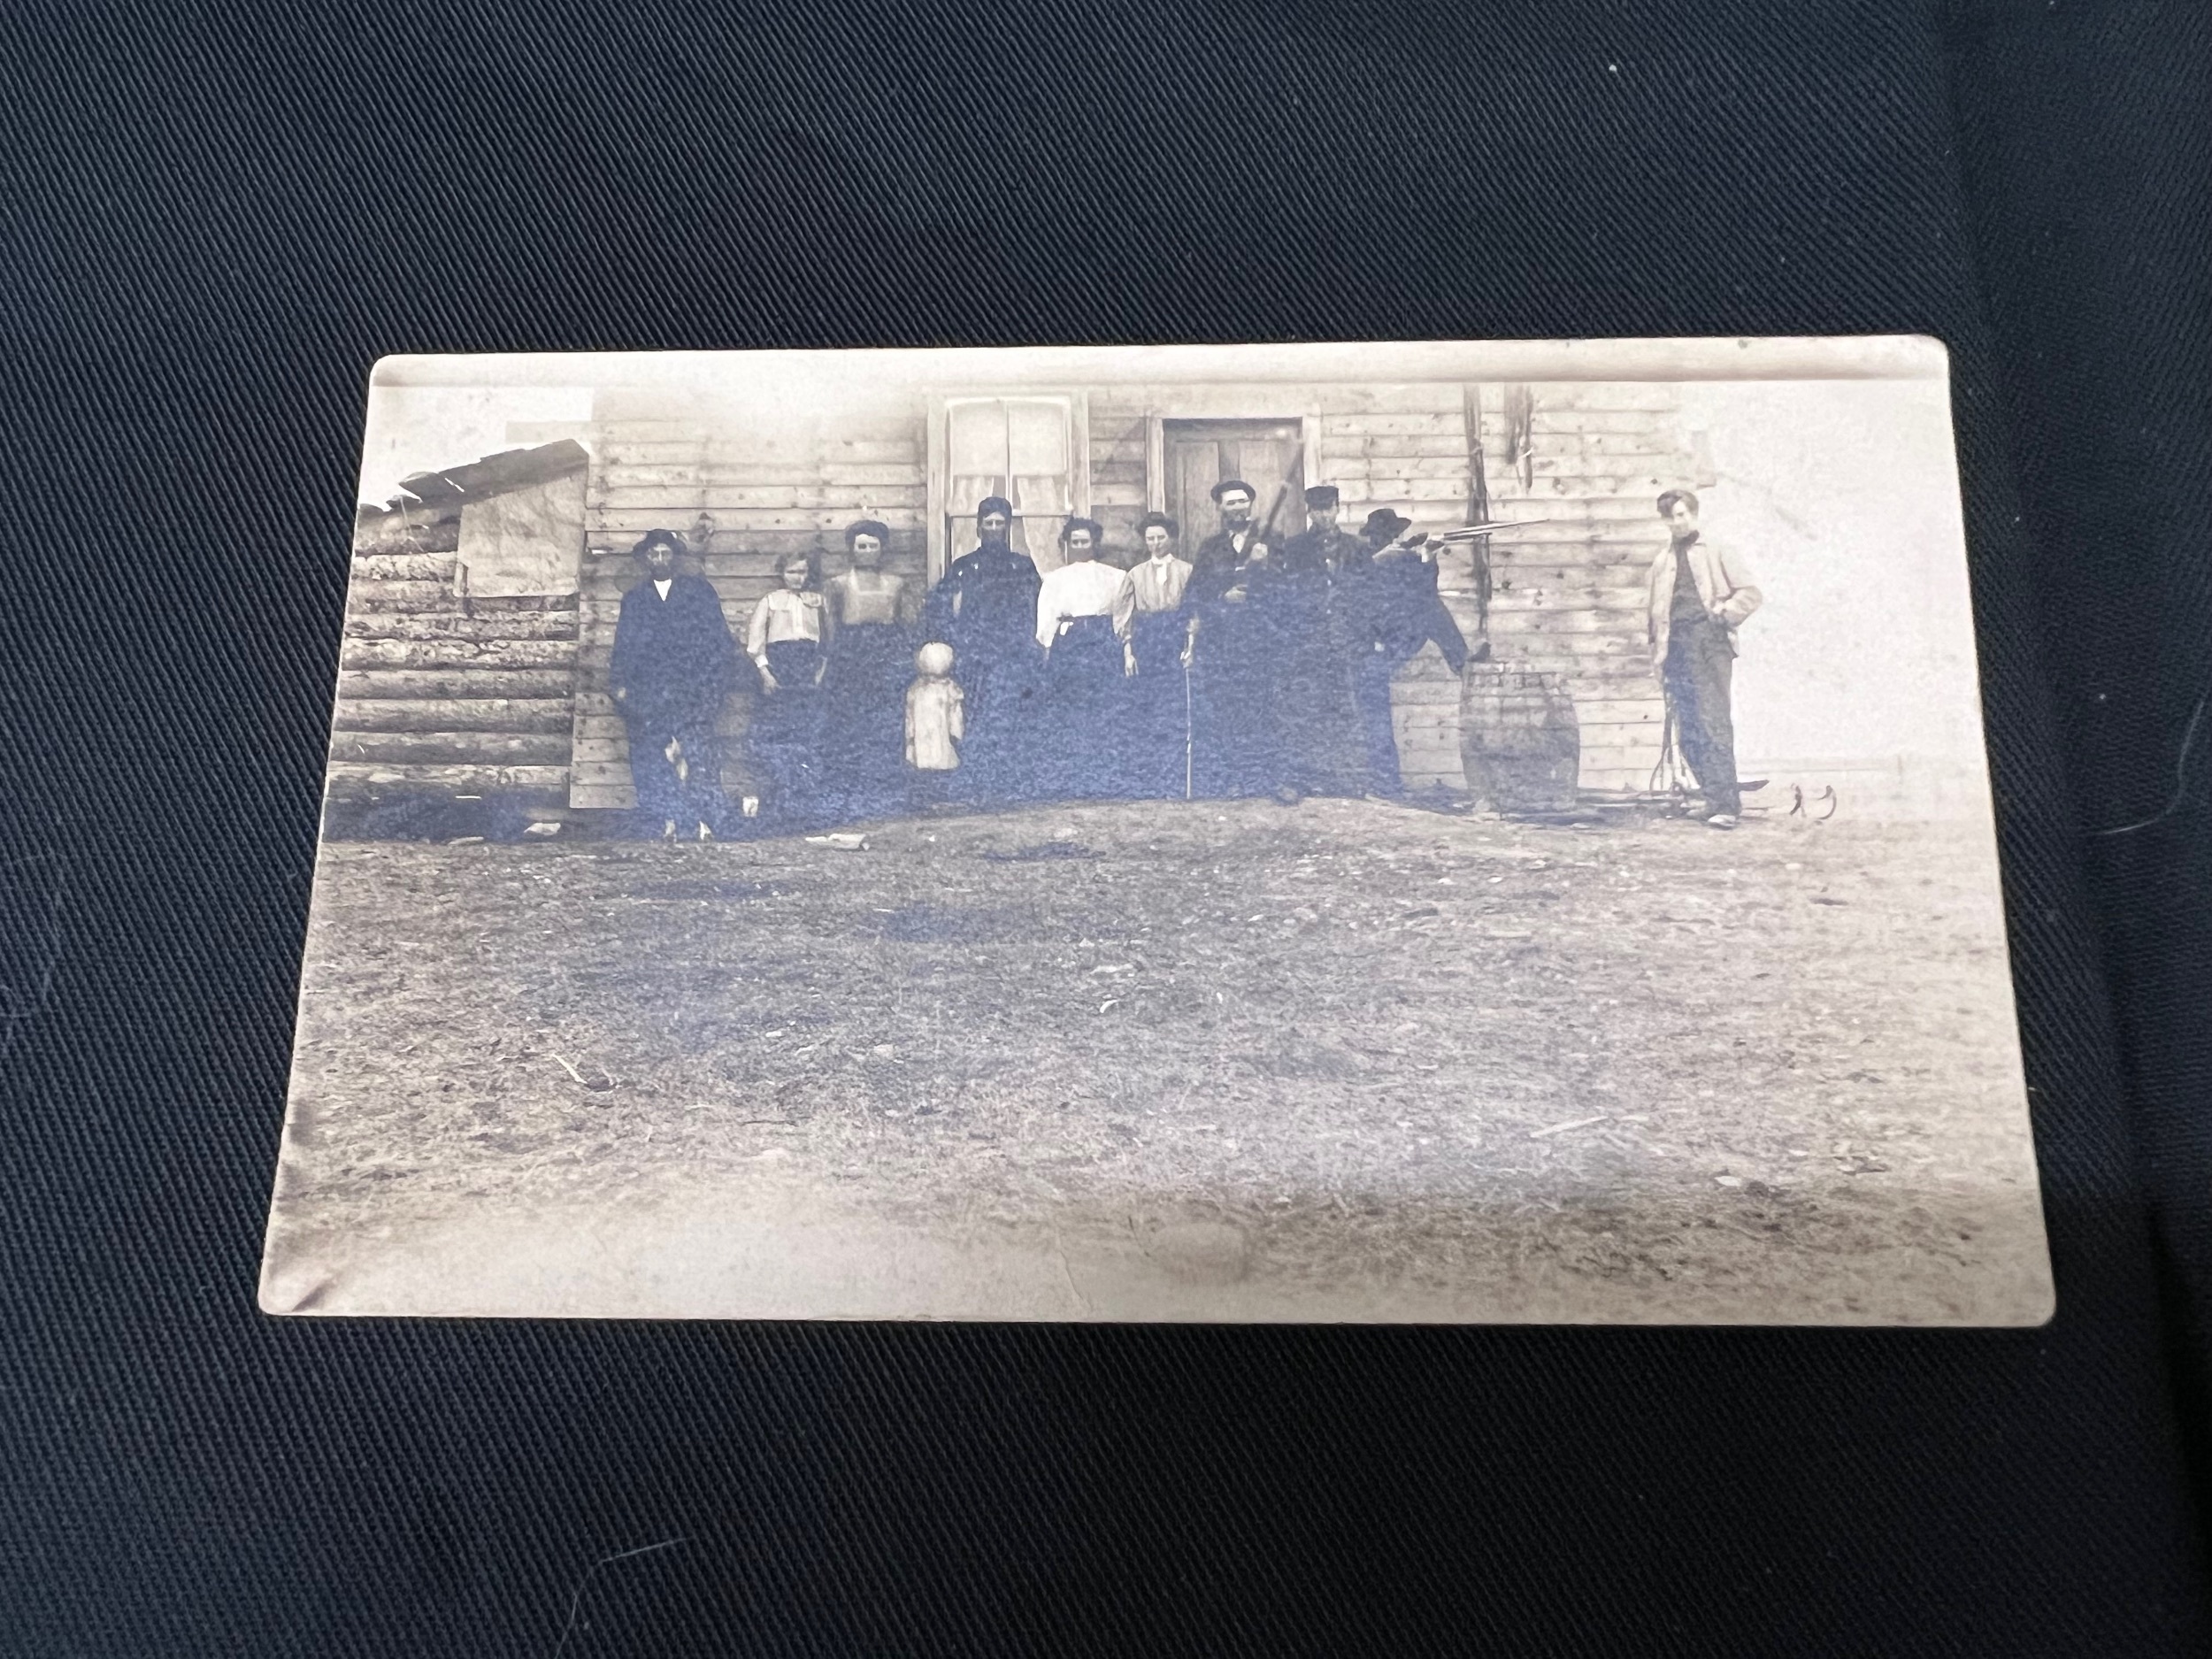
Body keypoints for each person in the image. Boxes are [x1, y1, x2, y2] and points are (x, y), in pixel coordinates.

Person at [607, 528, 749, 840]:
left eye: (665, 553)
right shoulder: (635, 598)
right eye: (653, 554)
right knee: (652, 758)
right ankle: (665, 823)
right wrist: (620, 684)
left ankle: (705, 823)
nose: (659, 559)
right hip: (650, 693)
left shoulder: (699, 592)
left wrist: (713, 684)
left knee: (698, 758)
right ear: (646, 558)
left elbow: (718, 640)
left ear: (676, 557)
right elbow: (624, 645)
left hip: (692, 690)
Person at [1647, 488, 1762, 828]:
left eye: (1681, 515)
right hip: (1677, 650)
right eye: (1670, 517)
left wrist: (1723, 613)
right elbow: (1653, 617)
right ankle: (1711, 797)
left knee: (1713, 723)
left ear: (1693, 514)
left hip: (1709, 646)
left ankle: (1727, 805)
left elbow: (1751, 594)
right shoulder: (1661, 562)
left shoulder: (1718, 549)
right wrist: (1659, 658)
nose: (1676, 522)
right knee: (1689, 727)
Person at [925, 495, 1043, 801]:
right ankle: (976, 786)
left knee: (1006, 717)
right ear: (979, 528)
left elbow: (1038, 608)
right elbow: (938, 605)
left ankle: (1007, 787)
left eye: (999, 524)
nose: (993, 529)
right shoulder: (965, 566)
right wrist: (954, 638)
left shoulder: (1023, 566)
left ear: (1008, 528)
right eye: (988, 524)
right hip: (975, 654)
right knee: (973, 717)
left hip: (1012, 654)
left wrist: (1030, 643)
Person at [1187, 479, 1287, 798]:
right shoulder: (1210, 548)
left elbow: (1289, 588)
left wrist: (1266, 563)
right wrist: (1223, 597)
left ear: (1251, 505)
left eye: (1242, 501)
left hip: (1263, 640)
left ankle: (1274, 782)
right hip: (1224, 644)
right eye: (1231, 503)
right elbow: (1194, 595)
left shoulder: (1272, 540)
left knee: (1269, 711)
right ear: (1220, 508)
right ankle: (1236, 779)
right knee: (1230, 713)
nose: (1238, 508)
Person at [1271, 484, 1371, 797]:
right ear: (1309, 512)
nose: (1322, 515)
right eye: (1316, 510)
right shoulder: (1295, 548)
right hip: (1306, 642)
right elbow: (1283, 597)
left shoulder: (1357, 548)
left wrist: (1362, 636)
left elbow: (1371, 596)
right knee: (1304, 710)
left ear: (1338, 508)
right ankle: (1300, 780)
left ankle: (1345, 780)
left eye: (1328, 508)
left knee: (1344, 709)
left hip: (1344, 641)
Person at [820, 518, 917, 818]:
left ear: (882, 549)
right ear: (852, 550)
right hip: (850, 657)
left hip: (885, 656)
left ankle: (884, 797)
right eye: (861, 546)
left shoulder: (897, 584)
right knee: (848, 726)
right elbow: (830, 627)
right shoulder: (836, 585)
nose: (867, 551)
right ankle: (848, 797)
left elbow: (908, 625)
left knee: (884, 725)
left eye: (873, 546)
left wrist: (903, 658)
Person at [1033, 516, 1133, 798]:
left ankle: (1104, 776)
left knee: (1103, 708)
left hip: (1102, 640)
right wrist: (1050, 651)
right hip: (1070, 642)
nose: (1080, 547)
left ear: (1095, 543)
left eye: (1085, 541)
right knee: (1070, 708)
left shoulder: (1115, 576)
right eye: (1074, 542)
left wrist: (1119, 645)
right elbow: (1046, 620)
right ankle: (1072, 778)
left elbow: (1122, 616)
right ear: (1066, 545)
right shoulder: (1055, 579)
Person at [1112, 511, 1195, 796]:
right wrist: (1128, 651)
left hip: (1174, 639)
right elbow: (1124, 615)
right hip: (1147, 642)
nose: (1156, 543)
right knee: (1146, 707)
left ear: (1170, 538)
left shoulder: (1187, 571)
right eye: (1151, 538)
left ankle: (1173, 778)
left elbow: (1192, 613)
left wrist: (1190, 646)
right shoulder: (1135, 575)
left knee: (1174, 708)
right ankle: (1148, 779)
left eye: (1161, 537)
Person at [747, 549, 829, 822]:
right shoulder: (770, 601)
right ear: (782, 574)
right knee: (777, 737)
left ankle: (804, 807)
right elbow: (756, 642)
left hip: (807, 670)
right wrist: (766, 674)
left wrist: (819, 674)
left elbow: (827, 643)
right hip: (779, 670)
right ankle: (777, 806)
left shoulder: (817, 602)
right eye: (791, 572)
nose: (797, 578)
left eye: (802, 572)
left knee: (804, 735)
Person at [904, 641, 964, 810]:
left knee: (929, 765)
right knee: (939, 764)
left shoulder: (917, 689)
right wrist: (957, 733)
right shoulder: (948, 689)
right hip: (935, 737)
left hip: (930, 737)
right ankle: (935, 797)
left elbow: (910, 718)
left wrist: (910, 737)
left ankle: (931, 798)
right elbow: (955, 715)